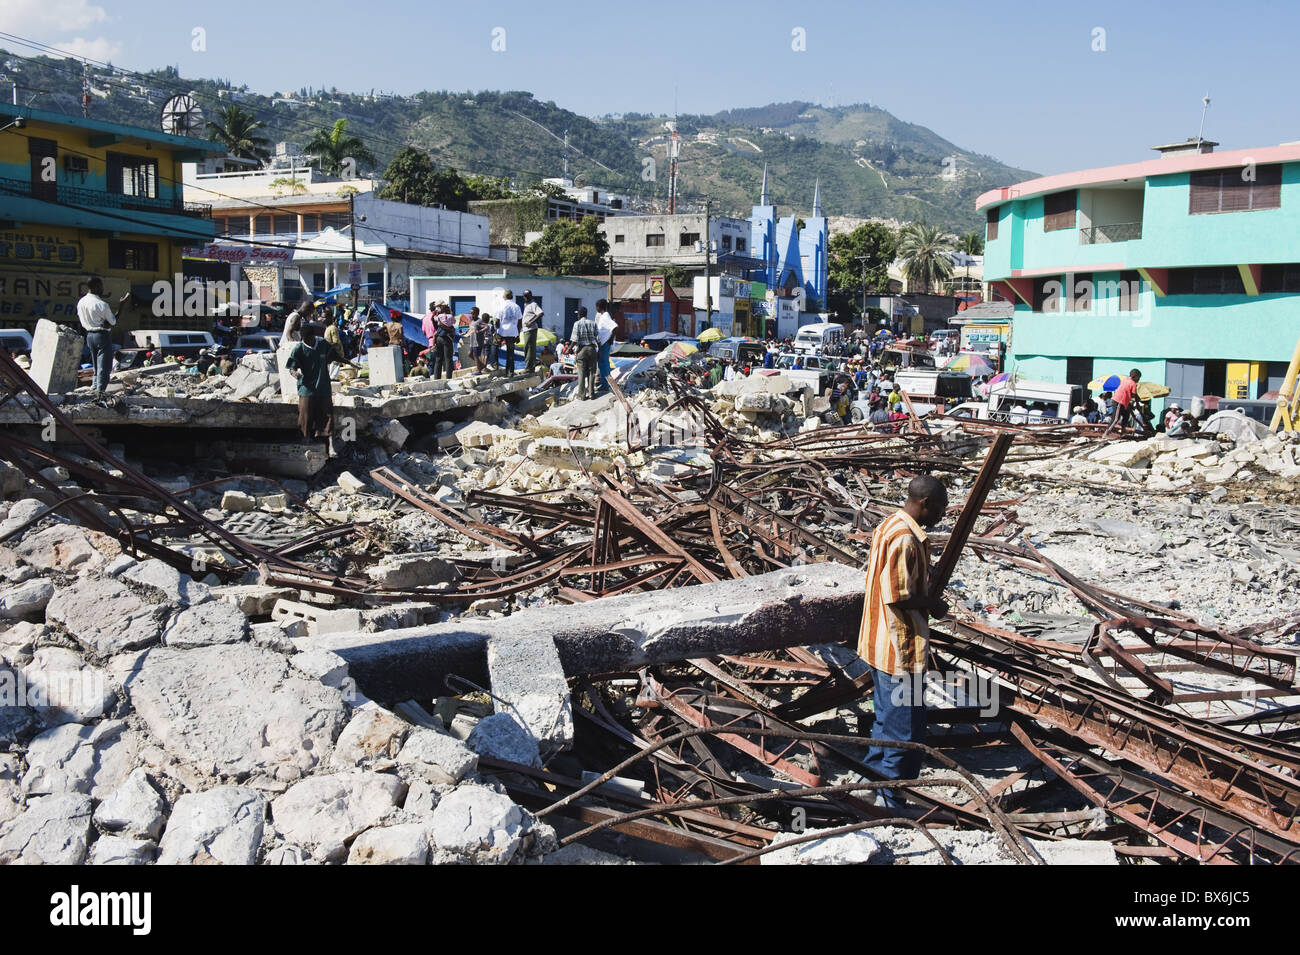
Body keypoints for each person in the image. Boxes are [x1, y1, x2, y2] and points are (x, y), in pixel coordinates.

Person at [858, 474, 949, 810]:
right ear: (925, 503)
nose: (942, 515)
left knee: (886, 719)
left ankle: (870, 782)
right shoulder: (906, 539)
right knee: (905, 729)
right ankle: (891, 798)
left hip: (879, 642)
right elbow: (898, 595)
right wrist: (933, 605)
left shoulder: (890, 524)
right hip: (900, 650)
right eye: (940, 509)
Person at [286, 324, 355, 457]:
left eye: (309, 339)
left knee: (328, 415)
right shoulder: (299, 348)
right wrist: (296, 374)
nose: (307, 341)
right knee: (305, 413)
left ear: (313, 336)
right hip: (307, 387)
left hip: (323, 386)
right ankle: (306, 438)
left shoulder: (323, 344)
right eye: (304, 339)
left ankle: (331, 445)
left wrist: (349, 362)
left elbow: (335, 356)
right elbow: (291, 368)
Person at [77, 277, 130, 400]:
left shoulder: (81, 302)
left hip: (89, 335)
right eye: (101, 286)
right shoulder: (102, 304)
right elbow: (112, 322)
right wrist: (121, 305)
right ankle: (100, 392)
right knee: (104, 367)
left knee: (96, 365)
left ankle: (94, 387)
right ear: (96, 286)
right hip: (101, 336)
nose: (102, 289)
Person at [569, 306, 599, 400]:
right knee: (592, 372)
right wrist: (599, 350)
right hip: (592, 349)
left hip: (581, 350)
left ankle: (581, 395)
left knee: (581, 373)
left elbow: (574, 339)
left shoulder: (577, 324)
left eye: (577, 314)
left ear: (579, 314)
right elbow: (598, 339)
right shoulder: (593, 323)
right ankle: (591, 393)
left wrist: (568, 349)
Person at [1103, 368, 1142, 436]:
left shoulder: (1125, 379)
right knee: (1116, 418)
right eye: (1138, 378)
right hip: (1119, 401)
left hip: (1121, 401)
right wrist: (1138, 401)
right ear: (1135, 376)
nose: (1139, 379)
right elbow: (1134, 395)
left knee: (1126, 415)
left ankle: (1123, 432)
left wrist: (1130, 405)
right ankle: (1106, 433)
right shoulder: (1133, 384)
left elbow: (1126, 393)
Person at [496, 290, 522, 375]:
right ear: (512, 296)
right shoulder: (516, 306)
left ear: (504, 297)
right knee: (510, 352)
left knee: (494, 347)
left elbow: (497, 321)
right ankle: (510, 371)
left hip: (502, 332)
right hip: (512, 332)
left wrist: (497, 332)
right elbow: (520, 322)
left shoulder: (501, 306)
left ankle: (494, 365)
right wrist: (518, 334)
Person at [595, 298, 617, 392]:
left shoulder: (605, 316)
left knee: (604, 365)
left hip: (605, 343)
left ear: (599, 307)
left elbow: (615, 327)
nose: (596, 308)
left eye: (596, 306)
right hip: (602, 344)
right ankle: (605, 383)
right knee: (602, 364)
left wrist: (611, 339)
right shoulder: (603, 316)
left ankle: (606, 384)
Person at [520, 290, 544, 374]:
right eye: (525, 296)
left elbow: (540, 313)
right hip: (526, 330)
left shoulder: (533, 304)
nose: (525, 298)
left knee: (529, 348)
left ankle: (529, 368)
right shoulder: (526, 304)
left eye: (527, 296)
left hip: (531, 329)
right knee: (527, 348)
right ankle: (530, 367)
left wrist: (531, 322)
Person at [432, 304, 457, 380]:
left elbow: (434, 318)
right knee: (448, 359)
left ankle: (437, 378)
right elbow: (454, 322)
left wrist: (436, 313)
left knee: (438, 359)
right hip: (447, 338)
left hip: (439, 338)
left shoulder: (439, 316)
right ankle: (448, 377)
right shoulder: (450, 316)